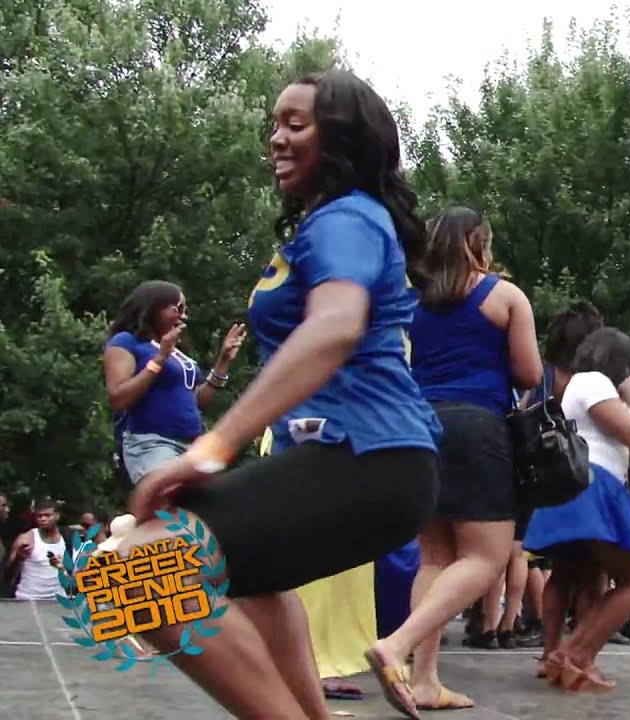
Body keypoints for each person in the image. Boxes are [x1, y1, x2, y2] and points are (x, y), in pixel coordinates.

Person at [113, 69, 442, 720]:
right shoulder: (332, 222)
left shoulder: (346, 217)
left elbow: (334, 327)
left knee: (135, 570)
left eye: (297, 125)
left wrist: (208, 450)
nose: (276, 139)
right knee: (258, 586)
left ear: (343, 139)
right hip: (365, 459)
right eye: (274, 124)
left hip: (371, 457)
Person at [371, 206, 543, 710]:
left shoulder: (415, 302)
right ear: (478, 241)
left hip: (419, 426)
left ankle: (424, 680)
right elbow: (530, 374)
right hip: (476, 426)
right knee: (487, 557)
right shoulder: (504, 295)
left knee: (434, 557)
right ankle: (396, 646)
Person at [523, 327, 630, 692]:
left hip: (576, 486)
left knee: (568, 572)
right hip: (594, 486)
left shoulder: (578, 385)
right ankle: (577, 655)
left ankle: (557, 654)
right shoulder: (595, 382)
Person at [103, 280, 246, 484]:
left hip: (192, 446)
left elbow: (196, 402)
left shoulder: (175, 352)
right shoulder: (126, 342)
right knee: (171, 506)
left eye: (185, 310)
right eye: (178, 309)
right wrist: (160, 359)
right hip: (153, 443)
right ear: (153, 307)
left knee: (203, 511)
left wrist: (223, 361)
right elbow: (118, 398)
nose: (184, 316)